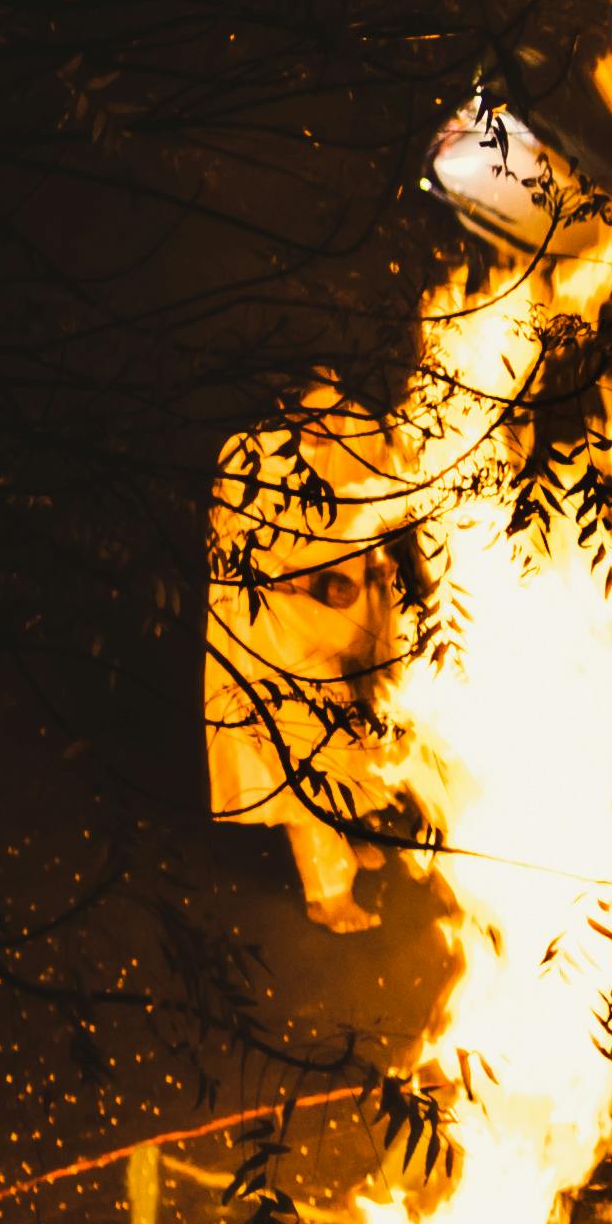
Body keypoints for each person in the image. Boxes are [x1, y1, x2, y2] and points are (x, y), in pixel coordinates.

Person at [205, 373, 415, 934]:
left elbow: (379, 502)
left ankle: (355, 822)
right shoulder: (248, 457)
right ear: (286, 404)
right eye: (317, 419)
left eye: (339, 415)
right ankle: (327, 893)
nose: (331, 430)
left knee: (353, 728)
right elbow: (239, 549)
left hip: (340, 620)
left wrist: (370, 567)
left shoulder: (361, 429)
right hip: (270, 624)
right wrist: (312, 584)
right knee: (296, 742)